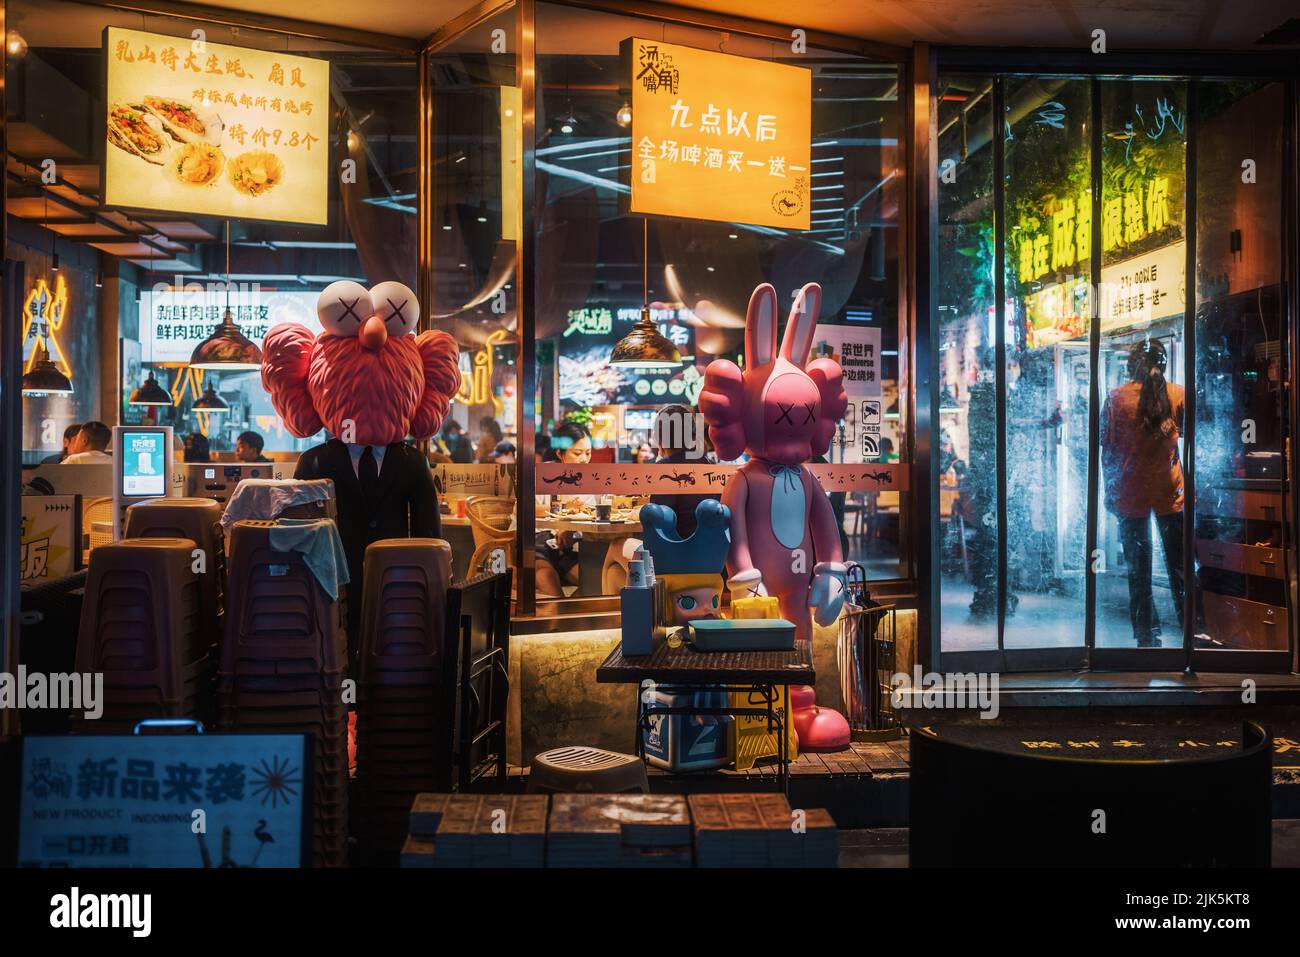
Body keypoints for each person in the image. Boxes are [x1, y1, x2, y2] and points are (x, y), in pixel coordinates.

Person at [1101, 339, 1186, 648]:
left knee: (1139, 569)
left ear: (1131, 365)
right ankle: (1193, 631)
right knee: (1179, 566)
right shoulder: (1178, 394)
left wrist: (1109, 490)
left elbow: (1106, 450)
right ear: (1161, 365)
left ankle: (1147, 636)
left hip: (1130, 492)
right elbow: (1195, 436)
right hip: (1170, 493)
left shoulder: (1115, 398)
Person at [535, 420, 595, 596]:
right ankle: (559, 618)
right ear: (559, 453)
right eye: (577, 453)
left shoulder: (589, 479)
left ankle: (573, 613)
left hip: (571, 548)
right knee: (546, 574)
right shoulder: (542, 474)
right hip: (537, 544)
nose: (584, 459)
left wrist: (569, 527)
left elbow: (589, 513)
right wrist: (563, 510)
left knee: (594, 579)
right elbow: (524, 509)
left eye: (588, 453)